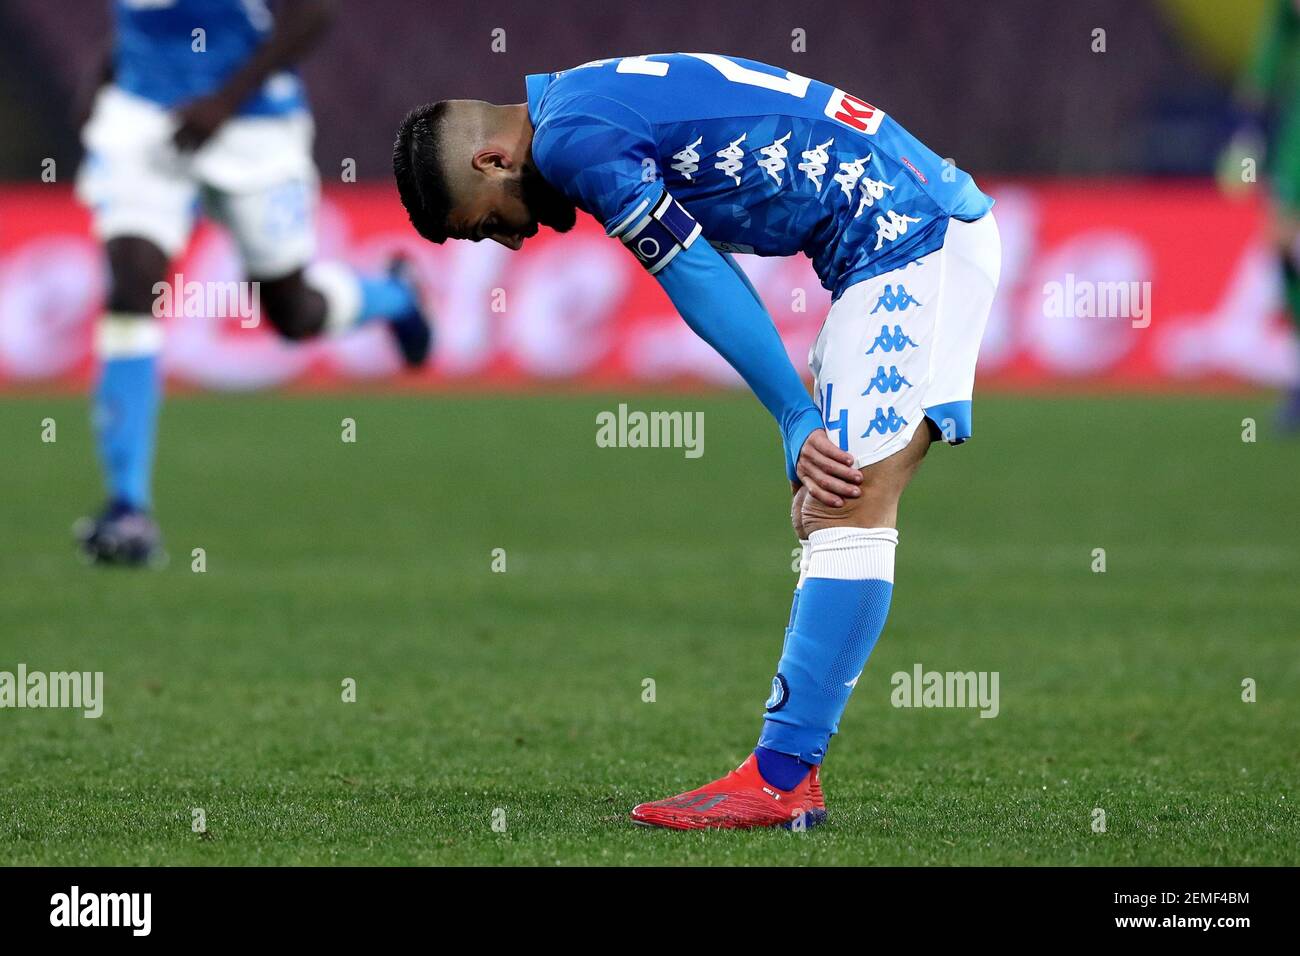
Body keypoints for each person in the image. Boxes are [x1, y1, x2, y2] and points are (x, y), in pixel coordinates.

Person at [393, 53, 1000, 829]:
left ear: (491, 159)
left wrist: (791, 412)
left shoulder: (575, 141)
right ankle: (786, 778)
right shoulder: (578, 103)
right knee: (830, 509)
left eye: (486, 225)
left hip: (910, 238)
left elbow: (691, 274)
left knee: (849, 502)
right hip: (894, 238)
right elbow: (705, 256)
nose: (512, 244)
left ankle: (778, 783)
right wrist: (791, 409)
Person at [75, 0, 432, 566]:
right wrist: (101, 85)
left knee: (292, 313)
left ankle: (395, 296)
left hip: (254, 123)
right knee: (130, 289)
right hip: (141, 119)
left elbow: (315, 14)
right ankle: (128, 508)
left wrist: (225, 100)